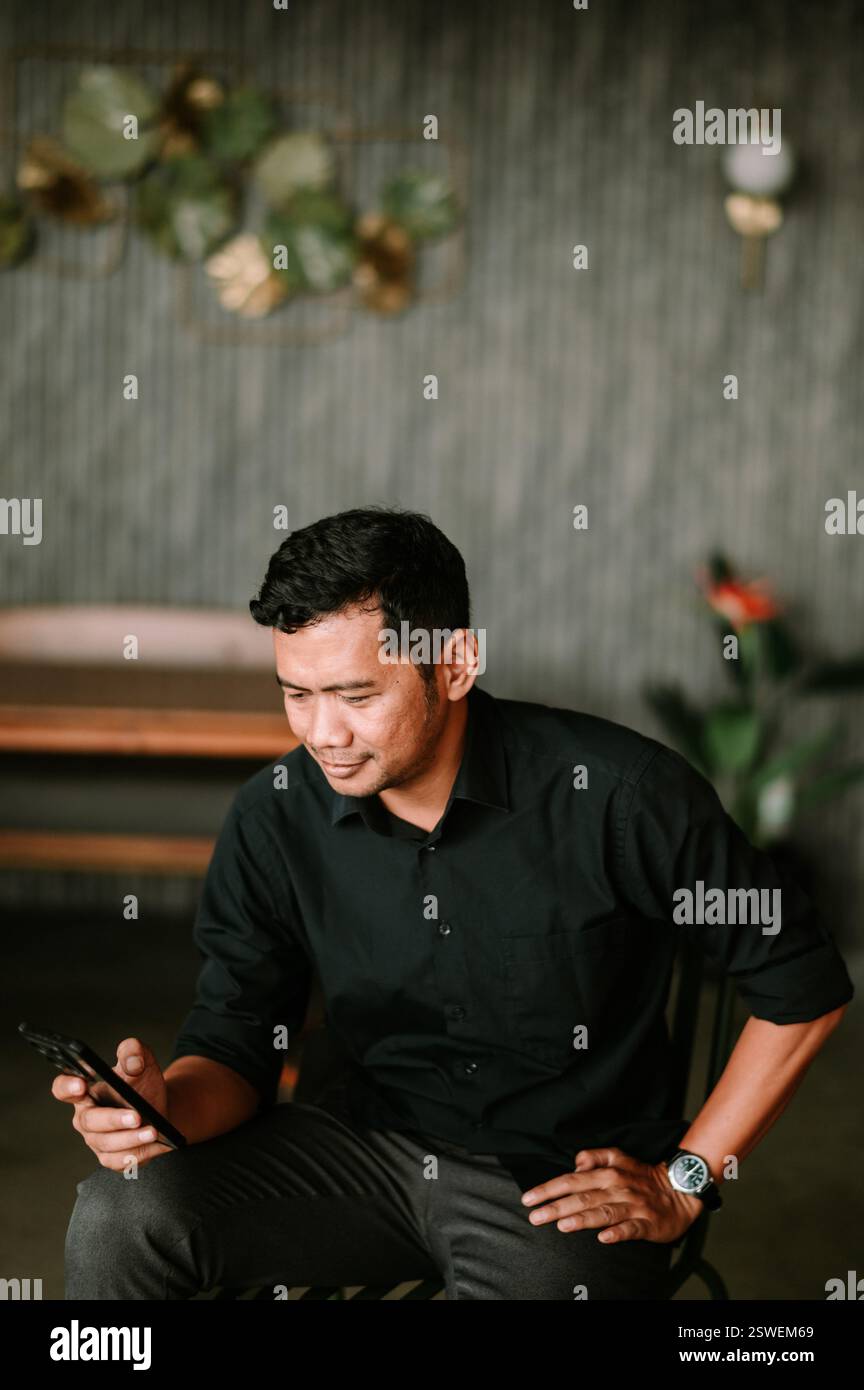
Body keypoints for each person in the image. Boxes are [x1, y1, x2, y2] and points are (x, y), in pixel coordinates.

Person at [59, 507, 854, 1300]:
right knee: (119, 1215)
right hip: (353, 1152)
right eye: (296, 694)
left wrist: (684, 1182)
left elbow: (802, 984)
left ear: (456, 663)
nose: (321, 733)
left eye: (355, 694)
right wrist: (161, 1115)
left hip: (558, 1185)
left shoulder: (619, 796)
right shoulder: (274, 814)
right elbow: (234, 1044)